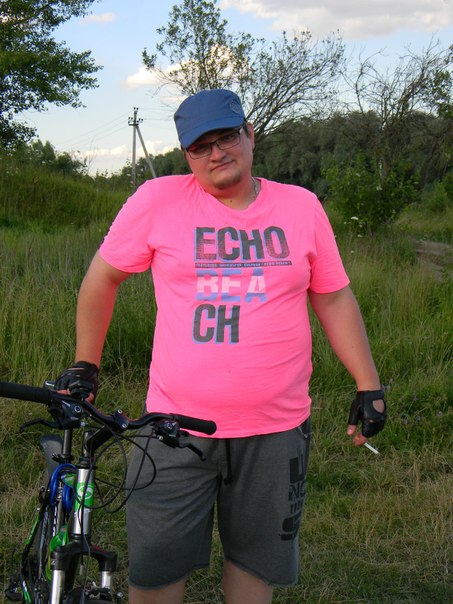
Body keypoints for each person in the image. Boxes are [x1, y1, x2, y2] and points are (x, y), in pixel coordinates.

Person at [56, 89, 386, 604]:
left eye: (227, 137)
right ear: (186, 155)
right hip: (172, 429)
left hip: (276, 429)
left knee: (255, 567)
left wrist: (368, 384)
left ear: (249, 135)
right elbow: (102, 278)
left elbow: (333, 296)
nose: (216, 153)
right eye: (200, 146)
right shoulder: (157, 201)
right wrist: (86, 363)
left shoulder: (301, 207)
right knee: (156, 570)